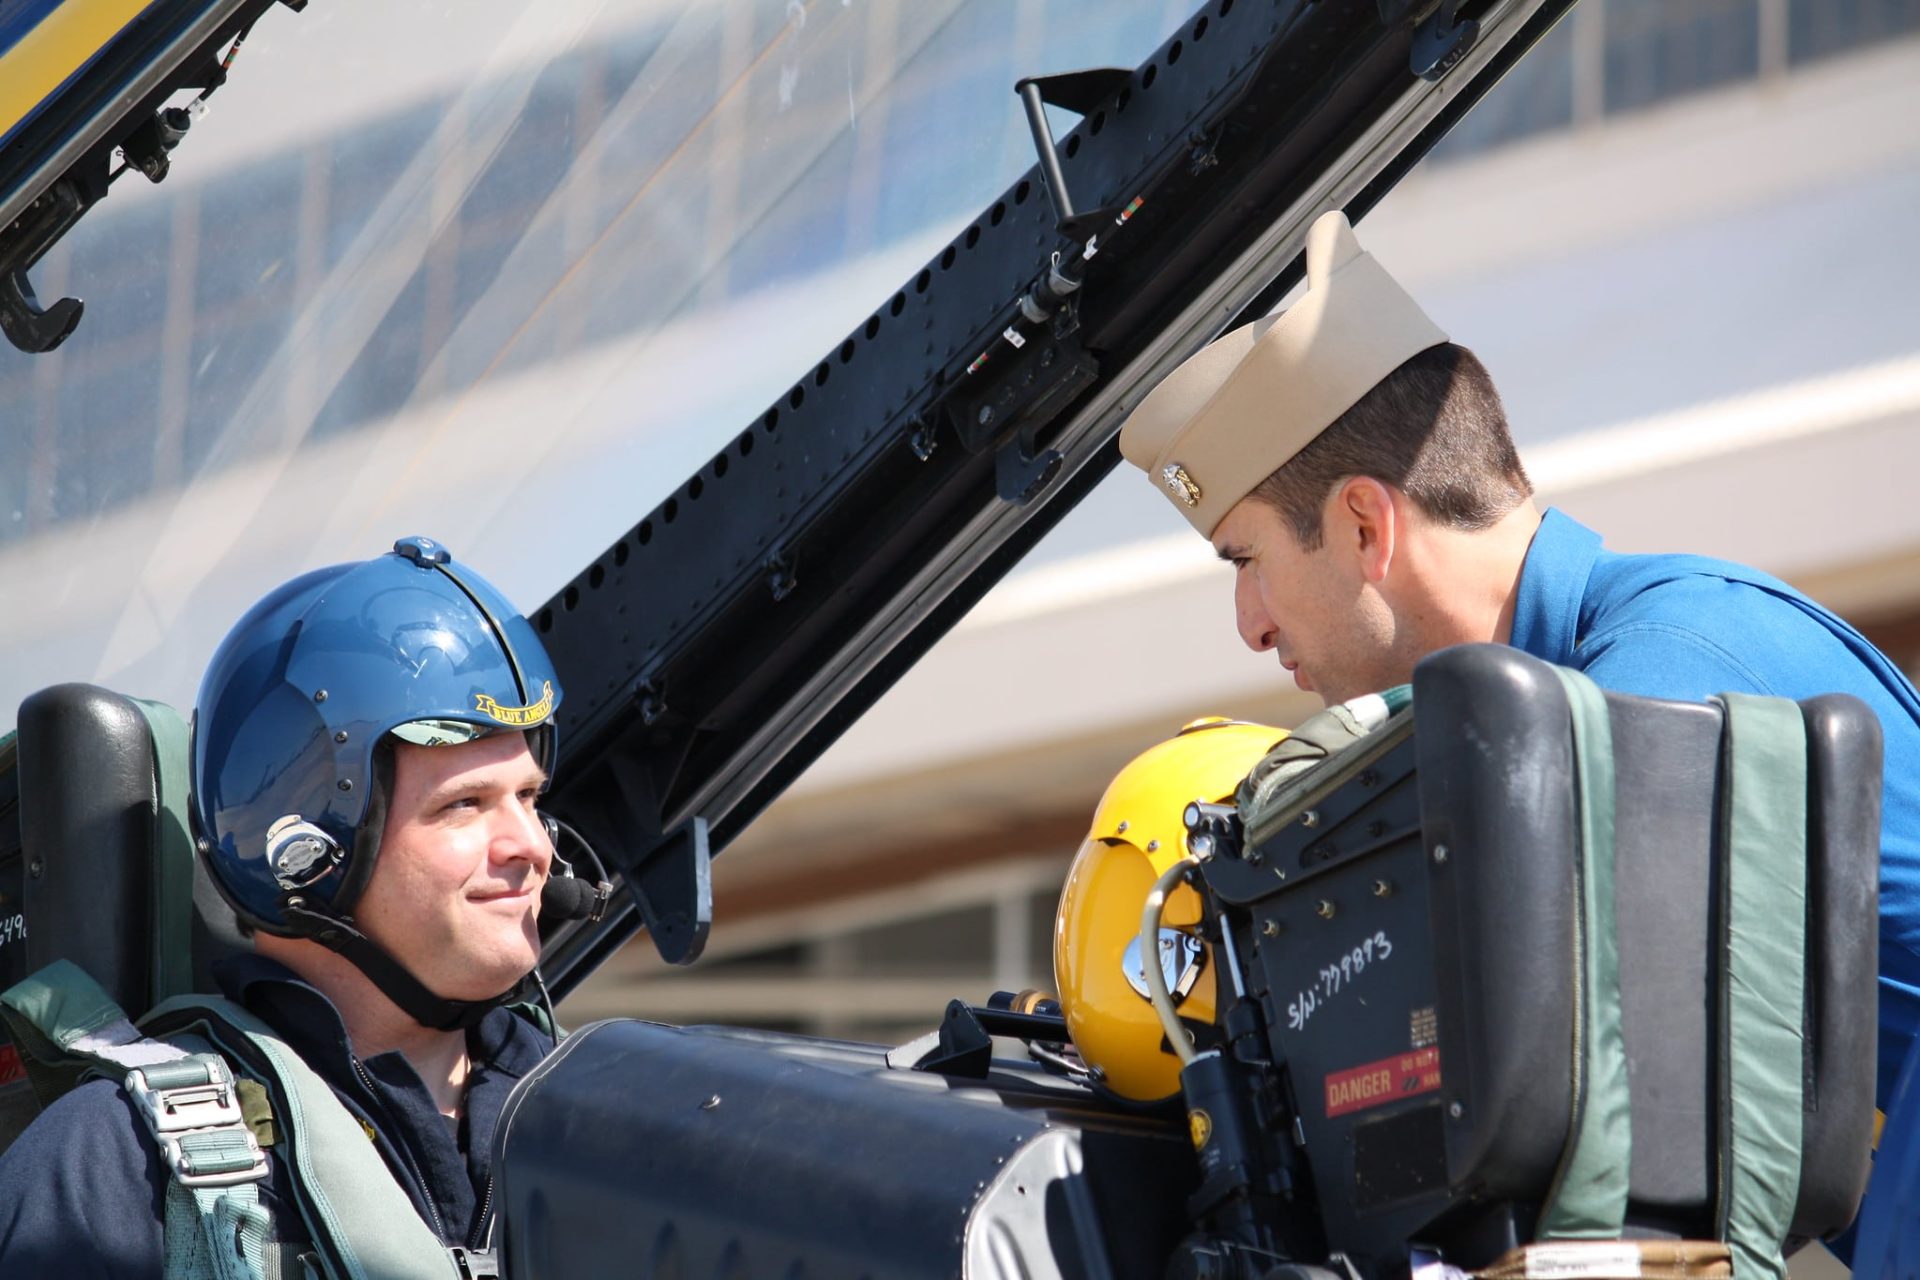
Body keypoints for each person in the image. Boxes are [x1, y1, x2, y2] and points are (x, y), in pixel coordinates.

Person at [1118, 209, 1920, 1156]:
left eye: (1246, 559)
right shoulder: (1611, 677)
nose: (1250, 624)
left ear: (1365, 528)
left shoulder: (1659, 683)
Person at [0, 536, 568, 1276]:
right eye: (465, 806)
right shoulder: (113, 1176)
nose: (531, 847)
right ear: (306, 848)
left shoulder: (617, 1126)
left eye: (528, 797)